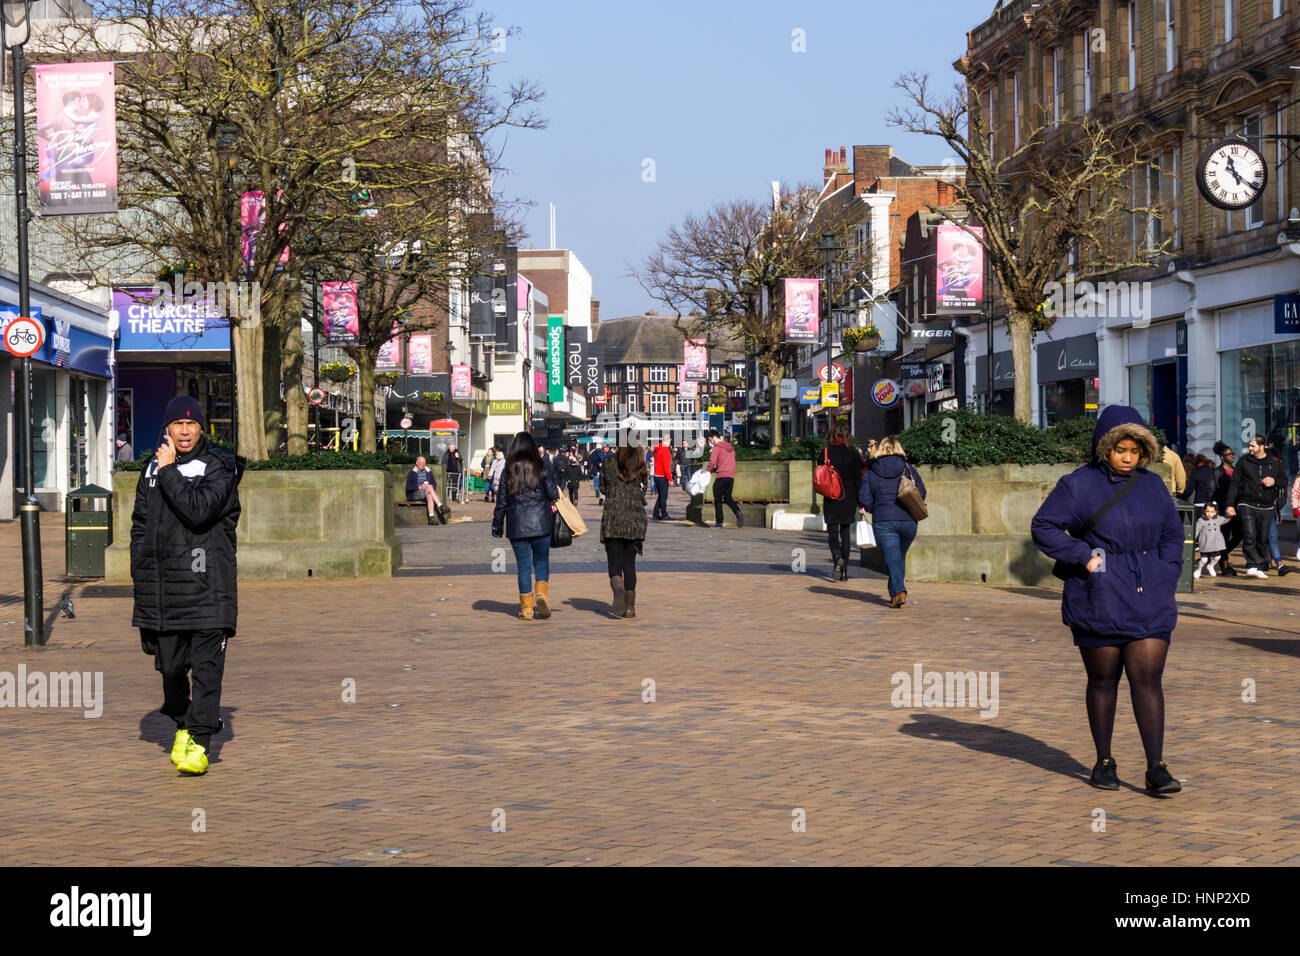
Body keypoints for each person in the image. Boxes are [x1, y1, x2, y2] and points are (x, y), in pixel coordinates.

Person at [1030, 405, 1183, 795]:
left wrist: (1167, 573)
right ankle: (1104, 761)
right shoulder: (1078, 484)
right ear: (1104, 449)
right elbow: (1044, 526)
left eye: (1135, 450)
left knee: (1147, 678)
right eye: (1120, 449)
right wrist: (1084, 556)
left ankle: (1156, 766)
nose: (1128, 457)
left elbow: (1171, 533)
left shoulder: (1152, 485)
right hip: (1097, 595)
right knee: (1103, 678)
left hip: (1149, 594)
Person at [131, 395, 244, 776]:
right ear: (167, 428)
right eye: (176, 424)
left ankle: (200, 741)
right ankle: (182, 722)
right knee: (171, 669)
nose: (183, 430)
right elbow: (140, 523)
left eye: (191, 424)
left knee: (208, 671)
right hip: (164, 591)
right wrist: (140, 564)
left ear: (202, 428)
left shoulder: (221, 466)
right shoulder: (151, 468)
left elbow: (198, 511)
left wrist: (168, 473)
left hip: (209, 586)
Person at [491, 432, 561, 620]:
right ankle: (542, 595)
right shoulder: (541, 465)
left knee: (523, 566)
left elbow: (502, 502)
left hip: (517, 524)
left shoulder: (508, 469)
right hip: (541, 523)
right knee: (541, 562)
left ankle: (527, 608)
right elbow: (553, 493)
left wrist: (497, 524)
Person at [857, 436, 926, 607]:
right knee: (898, 557)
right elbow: (922, 492)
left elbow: (863, 497)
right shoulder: (908, 468)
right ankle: (894, 593)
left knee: (893, 558)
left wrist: (876, 508)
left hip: (884, 521)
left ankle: (899, 590)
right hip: (909, 520)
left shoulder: (872, 470)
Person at [1225, 434, 1285, 578]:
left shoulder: (1274, 463)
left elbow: (1284, 481)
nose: (1250, 448)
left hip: (1266, 505)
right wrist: (1230, 504)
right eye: (1249, 445)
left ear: (1262, 446)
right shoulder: (1243, 461)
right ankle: (1251, 565)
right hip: (1247, 502)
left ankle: (1259, 566)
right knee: (1249, 534)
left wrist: (1274, 481)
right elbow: (1235, 483)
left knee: (1262, 538)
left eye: (1253, 446)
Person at [600, 445, 649, 618]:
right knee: (629, 564)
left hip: (613, 516)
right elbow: (644, 489)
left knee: (614, 562)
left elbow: (603, 488)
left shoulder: (609, 461)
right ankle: (630, 608)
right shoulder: (640, 463)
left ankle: (618, 589)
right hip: (635, 518)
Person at [823, 423, 864, 581]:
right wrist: (862, 503)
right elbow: (857, 481)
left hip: (831, 497)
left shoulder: (826, 452)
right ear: (847, 436)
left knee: (832, 532)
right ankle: (844, 571)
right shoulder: (853, 455)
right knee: (845, 534)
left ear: (833, 435)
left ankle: (836, 557)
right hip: (849, 498)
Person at [1212, 441, 1241, 574]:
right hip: (1223, 508)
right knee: (1224, 535)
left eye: (1232, 454)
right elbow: (1212, 491)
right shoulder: (1217, 472)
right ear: (1221, 457)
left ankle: (1221, 554)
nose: (1231, 456)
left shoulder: (1236, 471)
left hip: (1235, 508)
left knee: (1240, 533)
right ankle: (1224, 563)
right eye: (1228, 454)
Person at [706, 430, 742, 528]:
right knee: (728, 498)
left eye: (710, 440)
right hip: (730, 477)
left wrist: (708, 470)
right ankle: (737, 511)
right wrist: (716, 469)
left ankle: (719, 522)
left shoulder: (716, 448)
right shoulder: (730, 448)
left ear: (714, 437)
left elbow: (712, 461)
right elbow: (729, 462)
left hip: (721, 477)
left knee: (717, 499)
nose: (711, 442)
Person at [405, 455, 451, 525]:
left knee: (429, 495)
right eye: (421, 463)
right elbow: (408, 487)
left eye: (424, 463)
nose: (423, 464)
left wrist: (428, 486)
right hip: (415, 493)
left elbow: (434, 484)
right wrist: (419, 487)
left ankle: (431, 518)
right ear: (417, 463)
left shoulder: (428, 472)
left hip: (426, 492)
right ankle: (440, 506)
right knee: (429, 488)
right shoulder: (412, 473)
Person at [1193, 503, 1228, 579]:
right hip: (1205, 542)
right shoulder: (1201, 520)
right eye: (1207, 511)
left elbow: (1225, 519)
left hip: (1216, 542)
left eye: (1212, 512)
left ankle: (1211, 566)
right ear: (1204, 511)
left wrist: (1230, 515)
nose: (1209, 513)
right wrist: (1193, 539)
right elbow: (1196, 530)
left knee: (1217, 557)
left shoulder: (1218, 519)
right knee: (1204, 559)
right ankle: (1198, 569)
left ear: (1215, 512)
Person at [1182, 452, 1216, 520]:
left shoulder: (1195, 472)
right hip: (1212, 504)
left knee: (1198, 528)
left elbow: (1190, 490)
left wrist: (1180, 497)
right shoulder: (1214, 471)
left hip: (1199, 504)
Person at [651, 437, 674, 520]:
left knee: (661, 496)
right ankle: (664, 514)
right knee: (663, 496)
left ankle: (655, 514)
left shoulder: (658, 449)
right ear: (668, 440)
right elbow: (666, 467)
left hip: (657, 475)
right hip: (662, 476)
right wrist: (670, 479)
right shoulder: (665, 451)